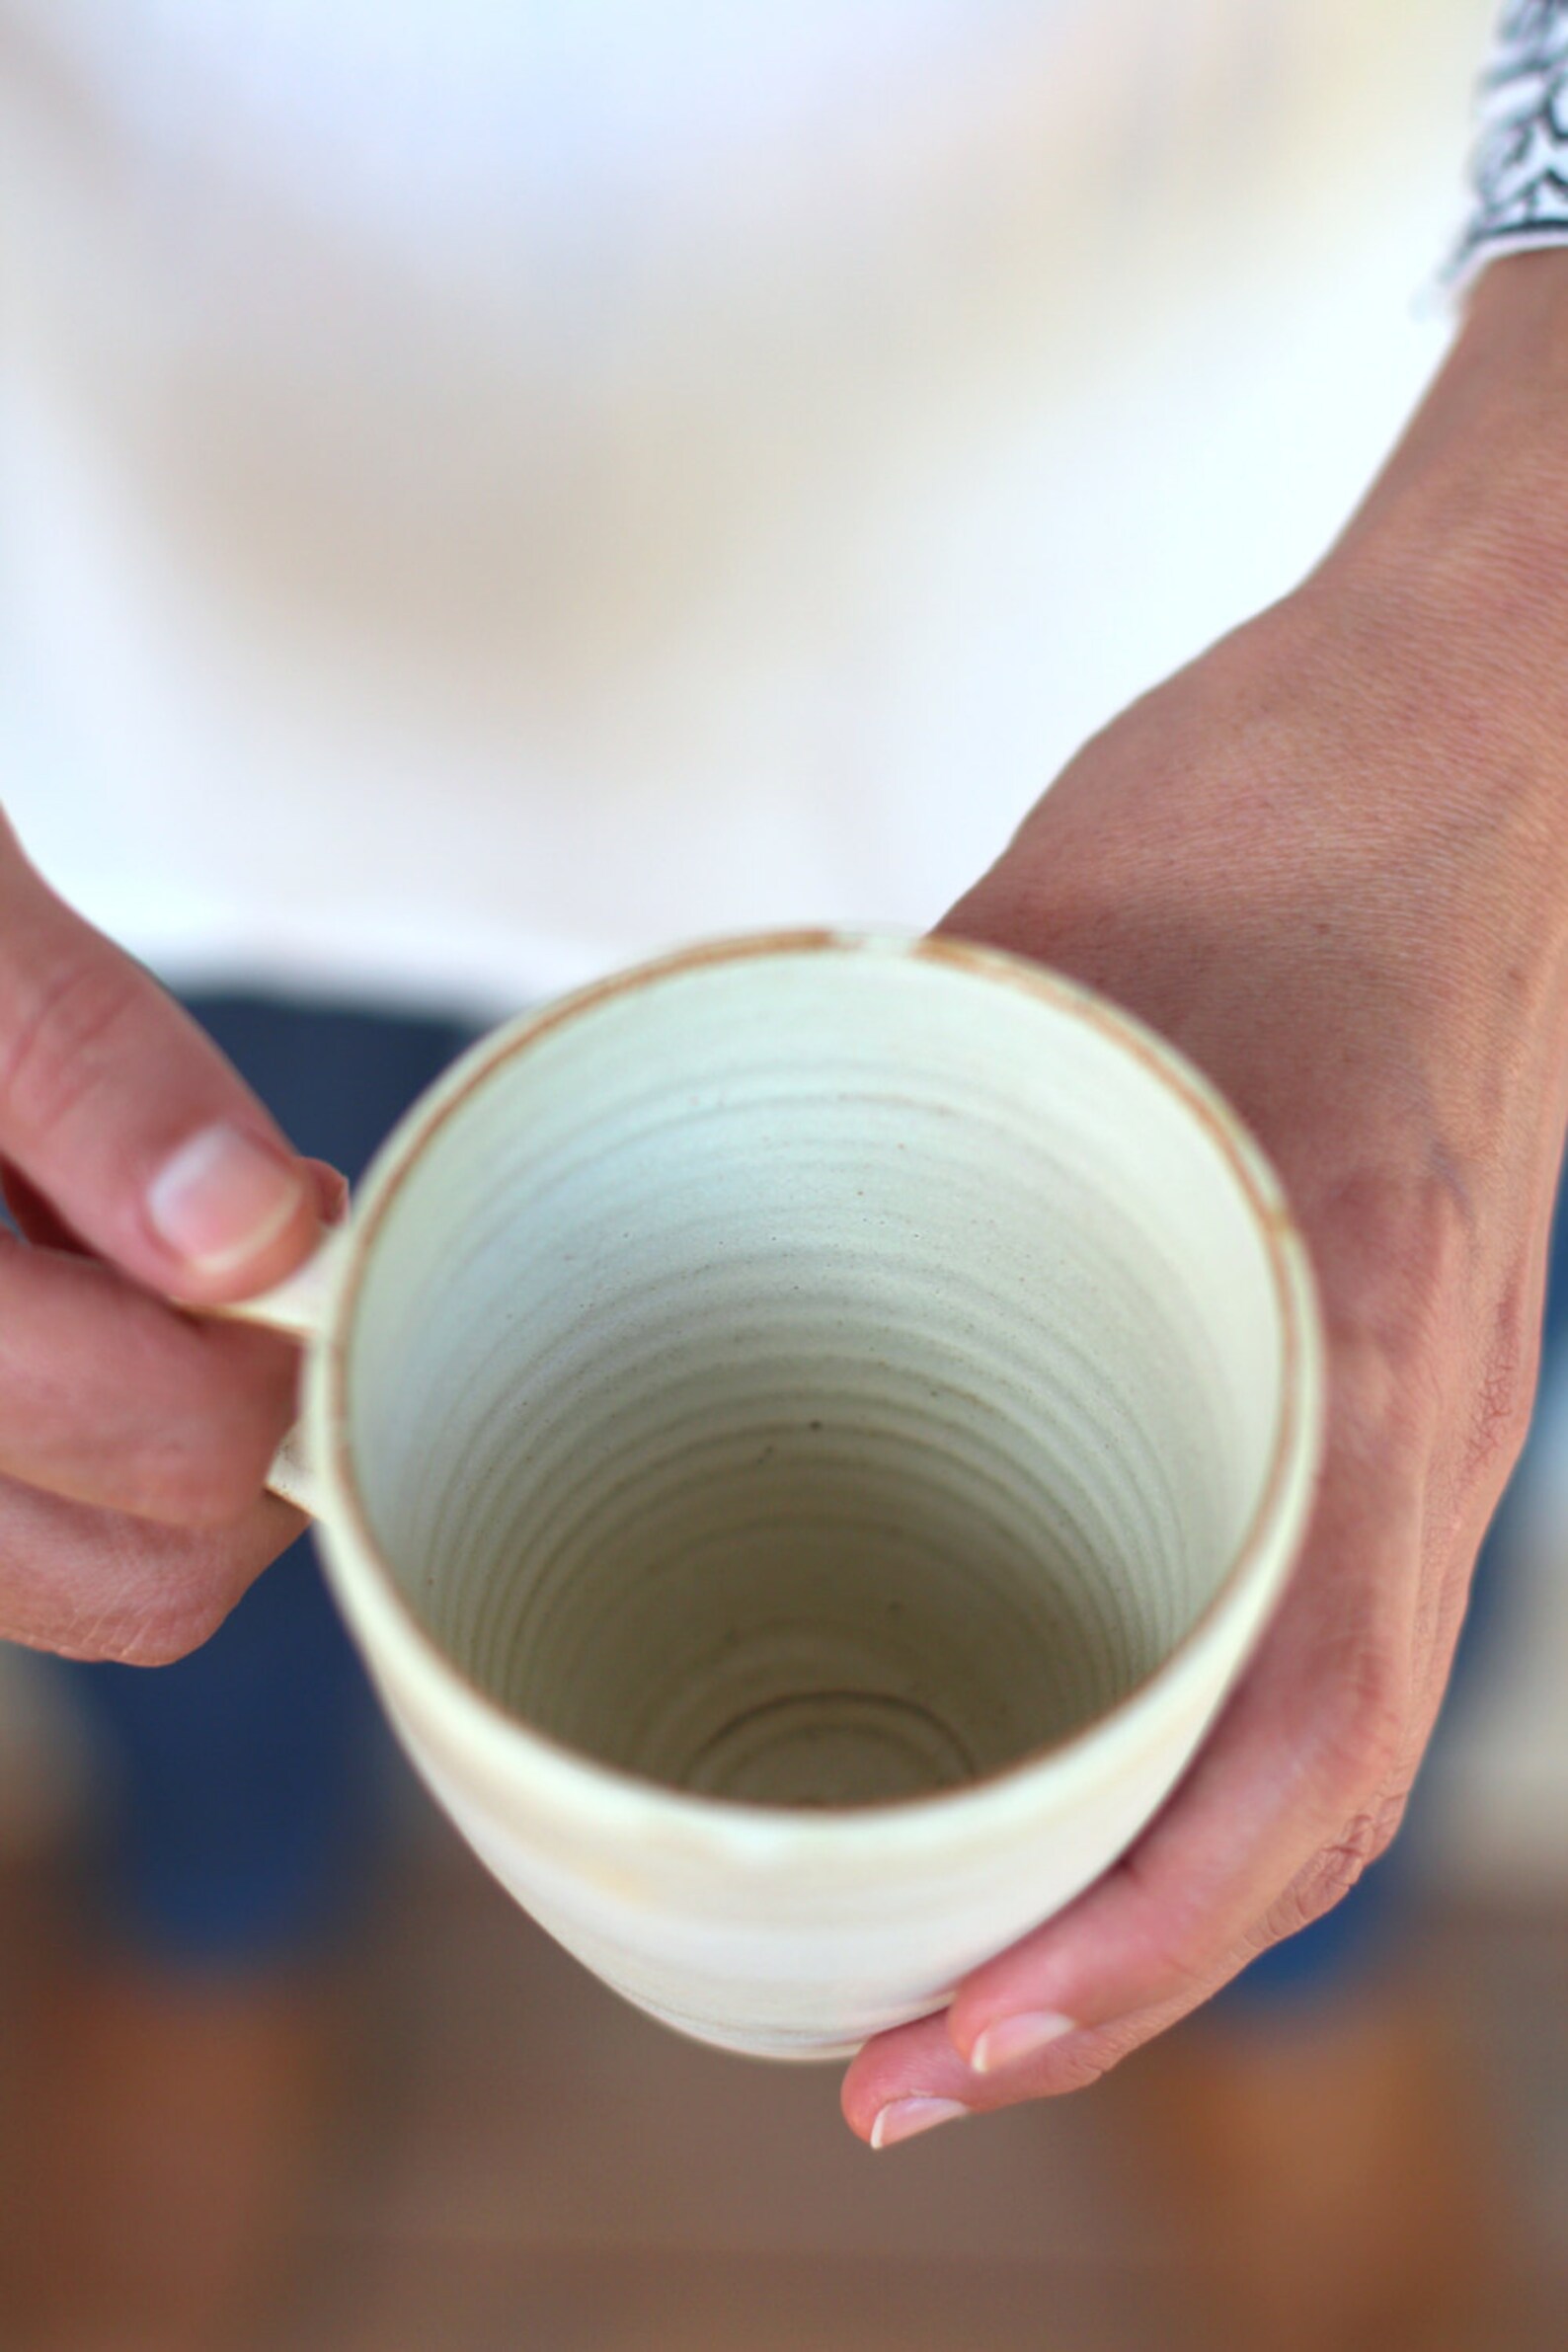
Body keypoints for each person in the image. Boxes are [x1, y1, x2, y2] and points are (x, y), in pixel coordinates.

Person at [0, 0, 1561, 2335]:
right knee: (142, 1444)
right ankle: (214, 1924)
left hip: (1290, 618)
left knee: (1343, 1504)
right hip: (155, 586)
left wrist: (1513, 609)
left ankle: (1287, 1985)